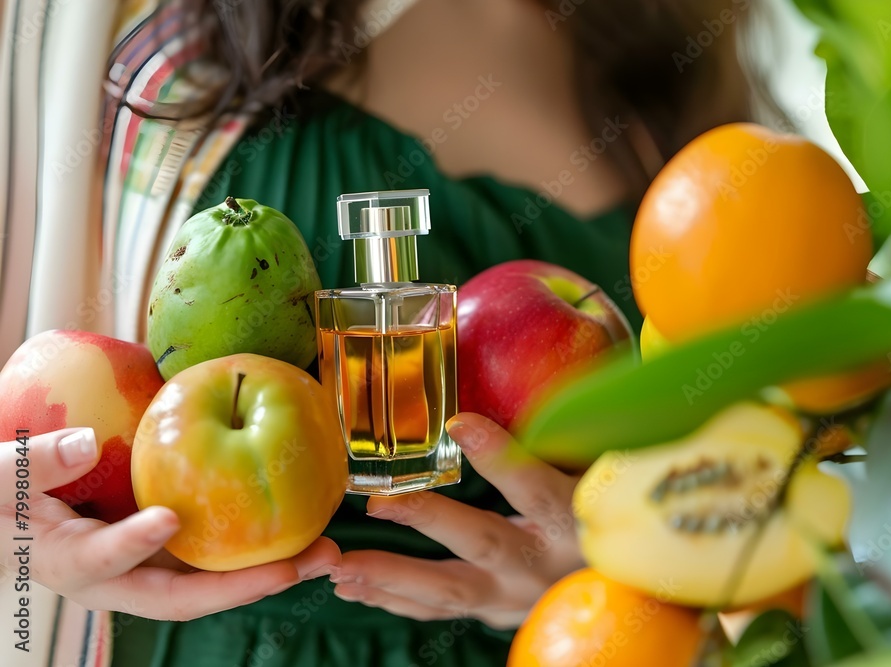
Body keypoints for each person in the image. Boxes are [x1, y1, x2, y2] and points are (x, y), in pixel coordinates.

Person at [0, 0, 761, 664]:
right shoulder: (84, 28)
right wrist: (19, 532)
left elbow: (740, 492)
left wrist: (609, 575)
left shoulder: (669, 49)